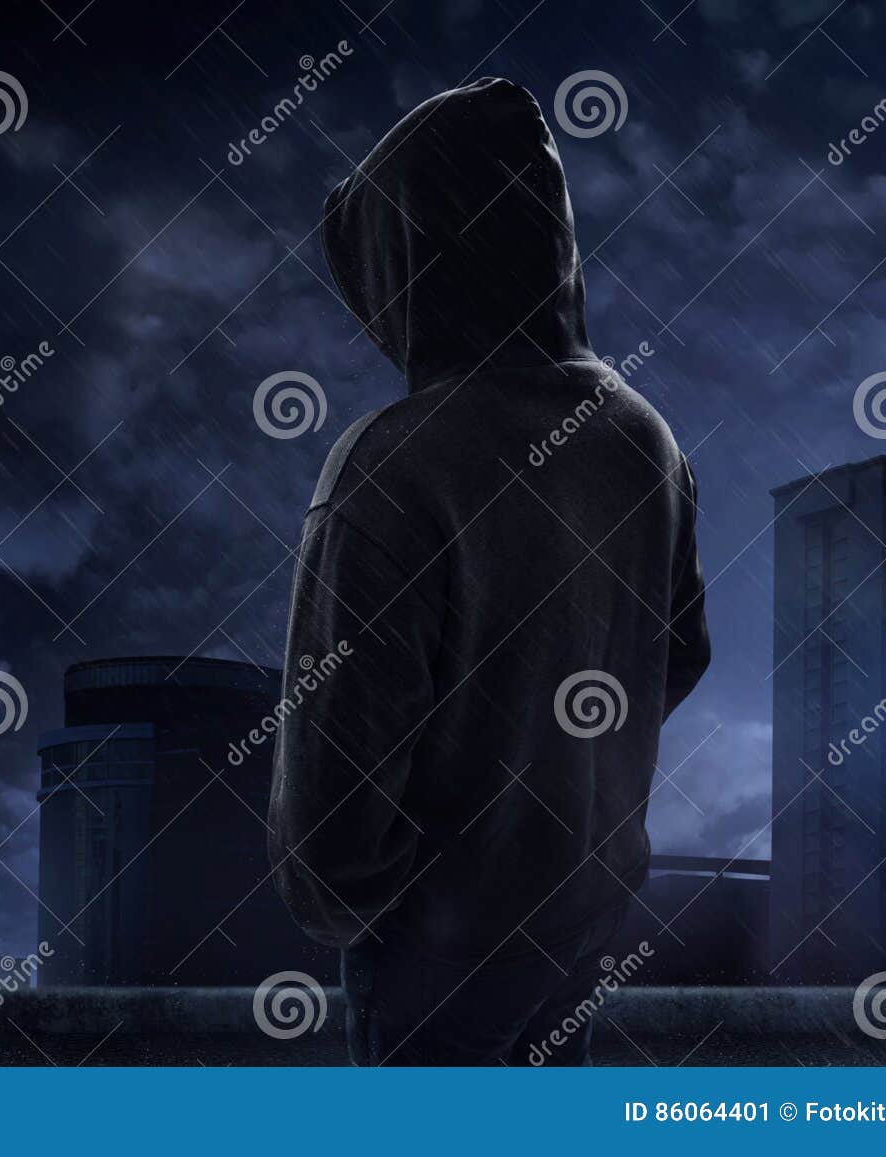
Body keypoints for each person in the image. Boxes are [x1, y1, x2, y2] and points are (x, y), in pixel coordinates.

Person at [266, 77, 710, 1066]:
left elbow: (330, 831)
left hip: (433, 966)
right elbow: (675, 657)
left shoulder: (391, 463)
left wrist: (396, 890)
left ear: (408, 264)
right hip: (577, 929)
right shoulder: (644, 437)